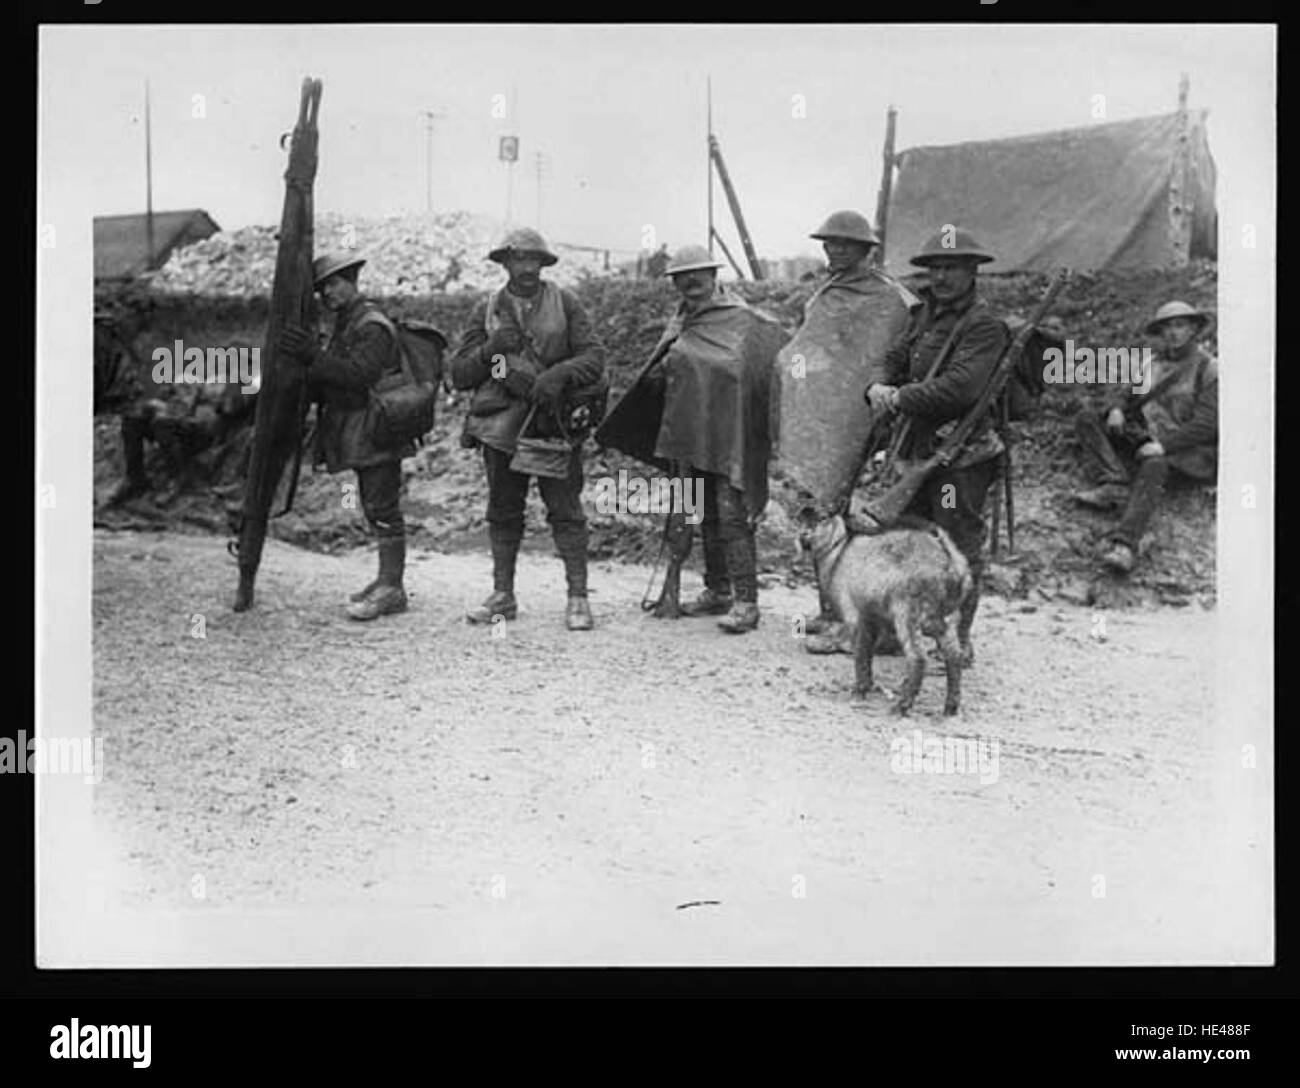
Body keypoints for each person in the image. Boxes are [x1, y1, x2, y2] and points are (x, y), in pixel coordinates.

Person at [863, 226, 1008, 665]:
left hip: (959, 459)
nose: (941, 277)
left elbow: (961, 389)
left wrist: (898, 397)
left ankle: (958, 639)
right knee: (906, 541)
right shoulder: (925, 316)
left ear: (972, 272)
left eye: (952, 268)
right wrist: (882, 382)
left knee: (955, 545)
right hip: (918, 451)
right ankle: (899, 632)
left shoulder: (984, 325)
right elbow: (897, 357)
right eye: (935, 268)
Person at [448, 228, 606, 631]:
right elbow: (462, 373)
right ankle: (503, 596)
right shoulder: (486, 309)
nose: (527, 268)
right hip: (500, 428)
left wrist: (557, 375)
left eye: (534, 260)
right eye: (518, 260)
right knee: (503, 511)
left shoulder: (565, 302)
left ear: (543, 264)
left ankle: (577, 598)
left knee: (566, 511)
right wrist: (494, 353)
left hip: (552, 423)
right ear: (505, 264)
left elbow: (594, 356)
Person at [784, 210, 921, 655]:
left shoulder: (892, 298)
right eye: (829, 243)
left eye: (845, 243)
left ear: (867, 249)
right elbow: (809, 344)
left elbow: (895, 357)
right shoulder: (825, 291)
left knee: (862, 527)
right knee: (820, 518)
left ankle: (862, 623)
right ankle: (830, 611)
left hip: (869, 423)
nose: (834, 250)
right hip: (821, 419)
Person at [646, 245, 784, 634]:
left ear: (714, 276)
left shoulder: (744, 322)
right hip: (692, 432)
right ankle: (717, 590)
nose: (691, 283)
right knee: (702, 511)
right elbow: (660, 377)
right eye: (681, 277)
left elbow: (763, 373)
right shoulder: (679, 324)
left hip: (734, 434)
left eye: (698, 275)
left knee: (731, 515)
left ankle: (747, 602)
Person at [278, 253, 413, 621]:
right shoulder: (348, 322)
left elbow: (357, 376)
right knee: (375, 505)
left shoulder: (371, 324)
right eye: (322, 289)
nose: (327, 295)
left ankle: (392, 588)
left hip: (377, 429)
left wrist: (312, 357)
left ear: (352, 280)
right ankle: (388, 581)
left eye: (333, 285)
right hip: (363, 429)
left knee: (383, 506)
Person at [1073, 300, 1218, 574]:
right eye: (1166, 328)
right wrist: (1117, 409)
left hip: (1190, 451)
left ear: (1194, 329)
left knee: (1155, 465)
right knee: (1089, 418)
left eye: (1180, 326)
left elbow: (1207, 425)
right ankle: (1113, 481)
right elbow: (1125, 393)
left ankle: (1125, 545)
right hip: (1150, 438)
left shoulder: (1208, 369)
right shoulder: (1151, 364)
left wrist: (1163, 446)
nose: (1172, 334)